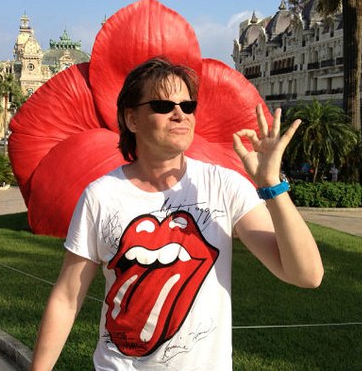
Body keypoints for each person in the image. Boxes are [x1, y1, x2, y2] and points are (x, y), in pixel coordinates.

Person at [30, 57, 324, 370]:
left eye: (188, 106)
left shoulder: (223, 186)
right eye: (162, 105)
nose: (180, 114)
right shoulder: (101, 196)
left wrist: (271, 185)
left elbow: (306, 275)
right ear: (132, 119)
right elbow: (67, 297)